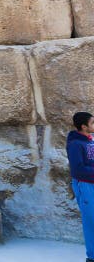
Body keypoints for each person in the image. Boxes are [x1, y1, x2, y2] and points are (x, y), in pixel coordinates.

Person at [67, 112, 94, 262]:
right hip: (85, 186)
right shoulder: (75, 144)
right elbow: (77, 170)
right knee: (91, 222)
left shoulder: (90, 141)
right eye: (92, 123)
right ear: (84, 126)